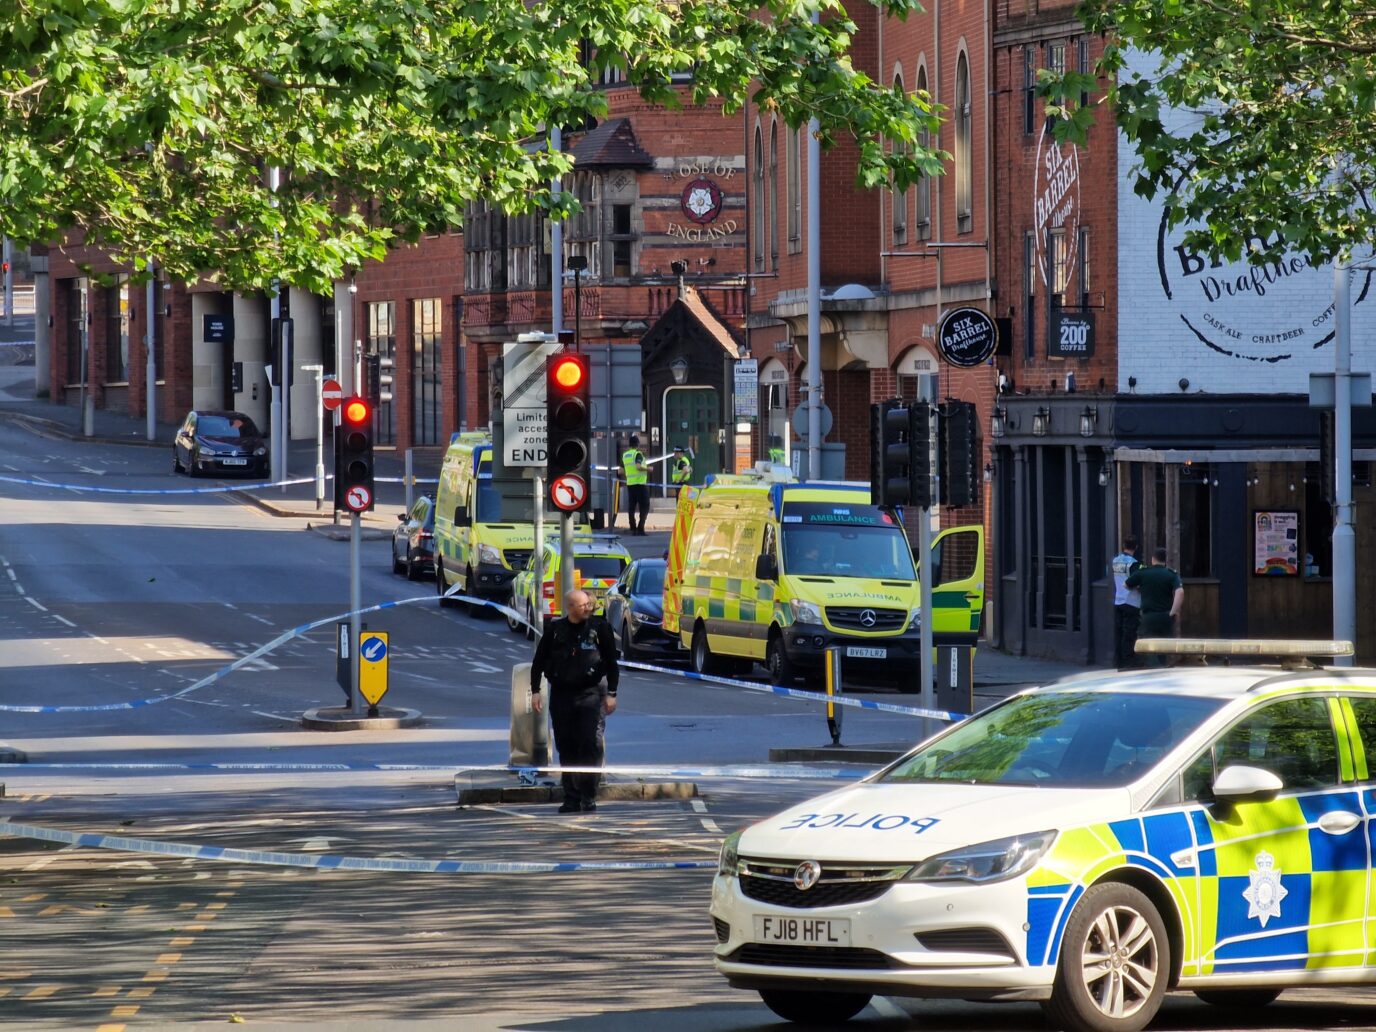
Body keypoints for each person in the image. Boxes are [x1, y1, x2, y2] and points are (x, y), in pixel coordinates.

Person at [530, 589, 620, 812]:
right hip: (562, 695)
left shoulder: (599, 628)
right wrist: (535, 690)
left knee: (589, 744)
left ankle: (588, 795)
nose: (588, 608)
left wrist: (612, 693)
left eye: (588, 604)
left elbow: (611, 662)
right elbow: (538, 661)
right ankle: (571, 796)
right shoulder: (555, 630)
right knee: (566, 745)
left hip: (590, 694)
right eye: (583, 605)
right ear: (570, 607)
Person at [1126, 547, 1183, 667]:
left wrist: (1140, 587)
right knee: (1164, 646)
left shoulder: (1143, 573)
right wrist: (1173, 611)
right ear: (1165, 560)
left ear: (1153, 559)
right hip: (1166, 616)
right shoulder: (1171, 574)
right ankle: (1161, 667)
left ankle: (1154, 668)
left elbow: (1126, 584)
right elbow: (1180, 592)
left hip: (1149, 616)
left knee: (1147, 644)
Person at [1110, 536, 1142, 669]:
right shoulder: (1133, 563)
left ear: (1123, 545)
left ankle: (1118, 660)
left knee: (1119, 631)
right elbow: (1137, 582)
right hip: (1131, 601)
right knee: (1129, 632)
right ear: (1136, 547)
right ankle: (1127, 661)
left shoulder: (1115, 561)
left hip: (1118, 600)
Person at [622, 434, 650, 535]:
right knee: (644, 506)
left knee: (632, 506)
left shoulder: (625, 455)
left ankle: (633, 528)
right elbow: (638, 467)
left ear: (629, 444)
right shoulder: (638, 454)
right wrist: (648, 469)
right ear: (638, 444)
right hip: (640, 484)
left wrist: (629, 473)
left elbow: (620, 471)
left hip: (630, 484)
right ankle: (640, 528)